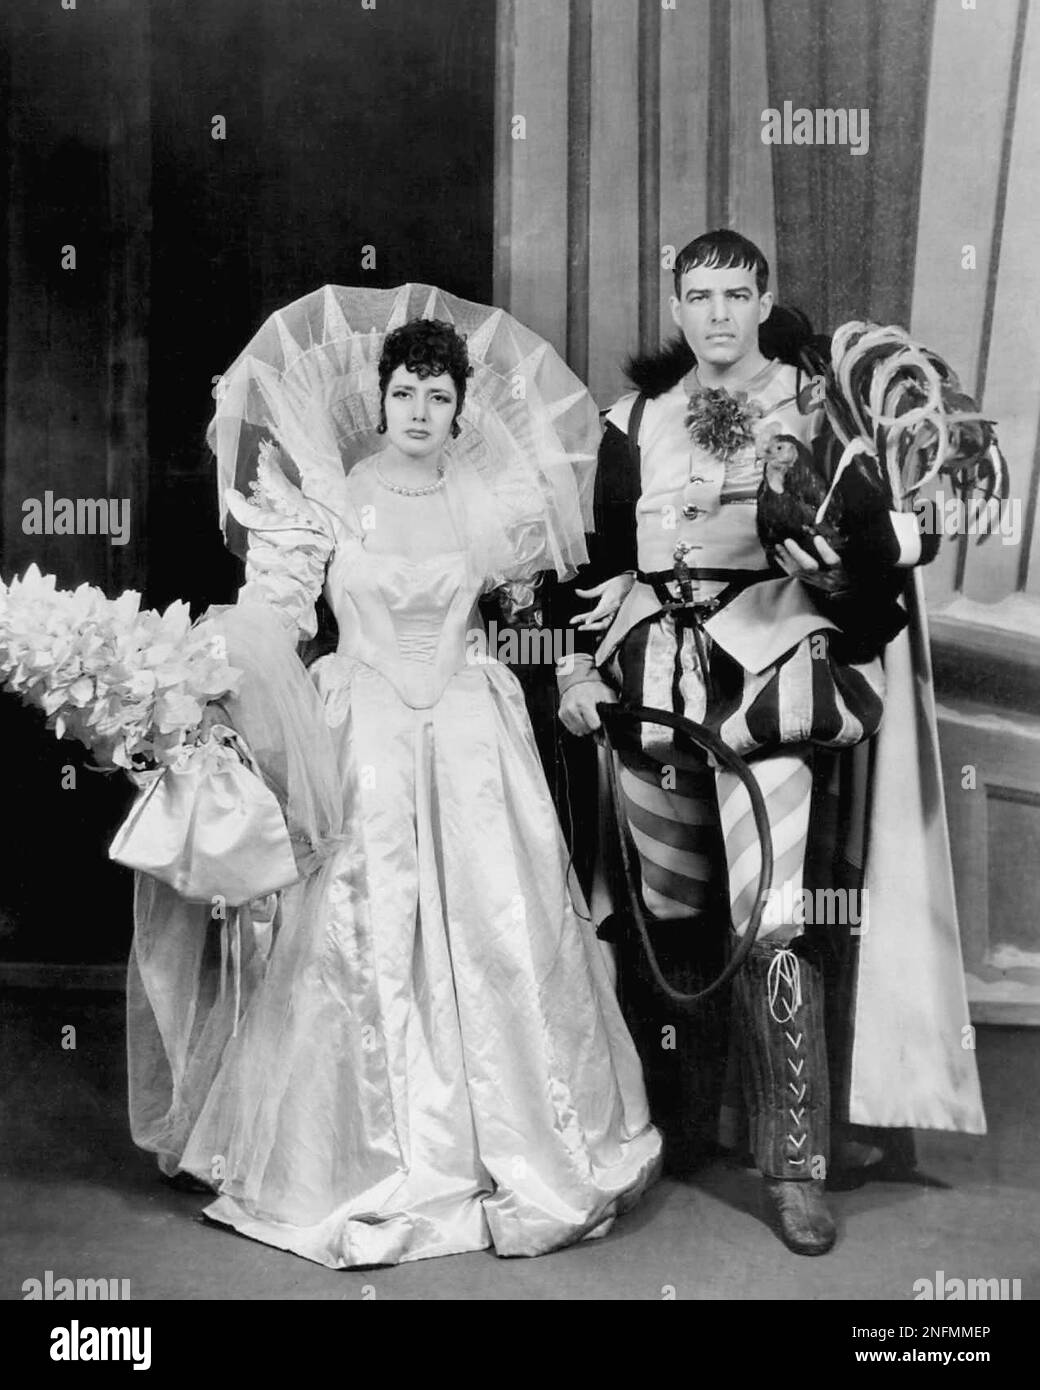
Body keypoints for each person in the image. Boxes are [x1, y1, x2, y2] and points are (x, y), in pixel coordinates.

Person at [127, 287, 661, 1269]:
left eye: (437, 394)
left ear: (462, 408)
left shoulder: (493, 499)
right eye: (405, 392)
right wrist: (203, 680)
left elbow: (552, 596)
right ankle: (360, 1153)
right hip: (362, 719)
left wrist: (592, 657)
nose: (420, 410)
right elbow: (276, 617)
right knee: (356, 930)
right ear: (382, 401)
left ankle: (510, 1142)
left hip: (466, 723)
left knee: (499, 928)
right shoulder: (328, 492)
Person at [555, 230, 986, 1256]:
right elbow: (603, 562)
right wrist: (577, 668)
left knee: (775, 921)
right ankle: (676, 1129)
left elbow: (876, 580)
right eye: (696, 294)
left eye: (734, 294)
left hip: (772, 688)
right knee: (665, 916)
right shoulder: (631, 423)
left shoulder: (817, 405)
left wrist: (835, 567)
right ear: (674, 301)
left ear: (763, 298)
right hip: (650, 687)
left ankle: (793, 1166)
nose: (714, 314)